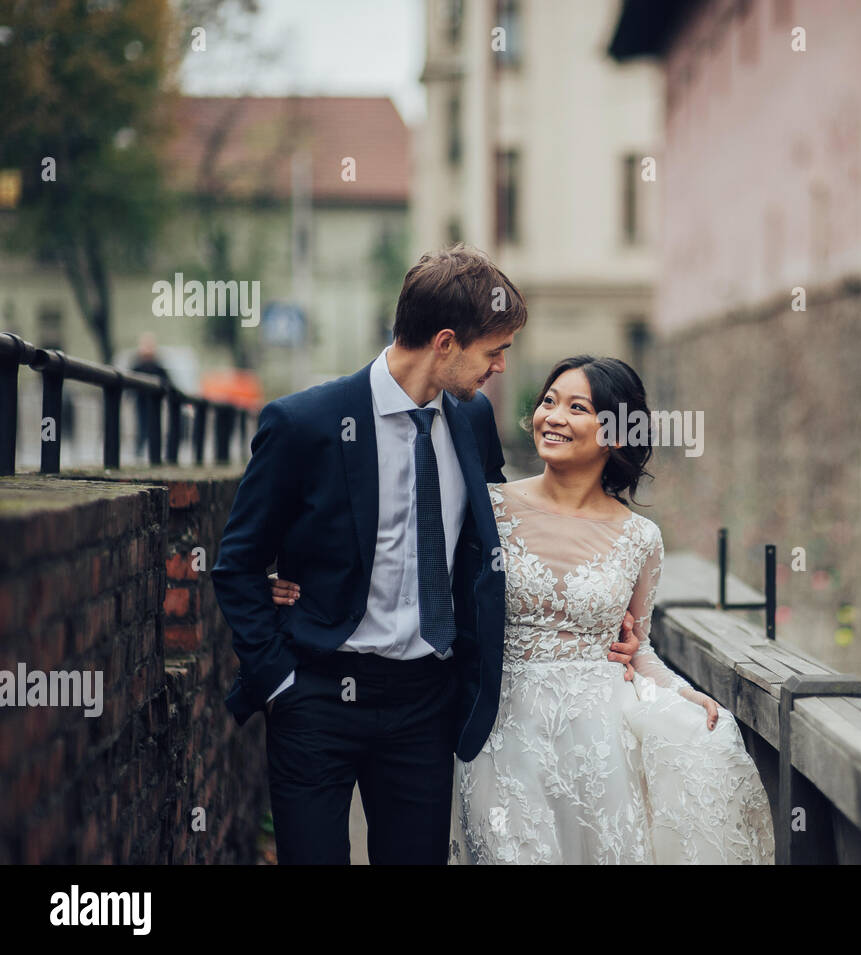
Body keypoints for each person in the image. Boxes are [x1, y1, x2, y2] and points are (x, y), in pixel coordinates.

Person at [211, 245, 643, 865]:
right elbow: (236, 565)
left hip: (424, 705)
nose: (499, 367)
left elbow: (498, 539)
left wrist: (600, 619)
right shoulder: (305, 423)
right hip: (316, 697)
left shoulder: (471, 423)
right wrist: (281, 680)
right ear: (445, 343)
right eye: (494, 350)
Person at [275, 356, 776, 864]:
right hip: (501, 736)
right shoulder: (485, 506)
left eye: (576, 407)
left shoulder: (641, 538)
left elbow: (637, 646)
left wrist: (682, 693)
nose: (552, 416)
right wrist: (294, 580)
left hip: (599, 747)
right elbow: (403, 555)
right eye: (548, 401)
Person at [130, 333, 171, 456]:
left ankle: (153, 449)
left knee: (153, 425)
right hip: (141, 400)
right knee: (142, 424)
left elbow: (166, 381)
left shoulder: (157, 366)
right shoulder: (138, 364)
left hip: (154, 401)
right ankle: (141, 447)